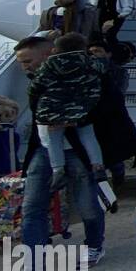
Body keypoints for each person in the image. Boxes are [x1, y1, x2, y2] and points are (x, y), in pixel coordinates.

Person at [0, 36, 107, 271]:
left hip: (76, 150)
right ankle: (34, 269)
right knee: (32, 206)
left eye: (28, 61)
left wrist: (74, 119)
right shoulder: (38, 81)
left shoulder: (87, 73)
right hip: (42, 150)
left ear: (48, 55)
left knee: (88, 205)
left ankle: (94, 244)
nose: (24, 67)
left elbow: (107, 107)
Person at [28, 32, 105, 193]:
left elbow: (36, 87)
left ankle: (58, 171)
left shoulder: (50, 64)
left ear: (57, 48)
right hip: (83, 107)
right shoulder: (91, 61)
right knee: (88, 135)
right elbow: (103, 71)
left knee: (53, 138)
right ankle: (98, 166)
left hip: (53, 110)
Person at [87, 37, 136, 193]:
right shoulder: (86, 70)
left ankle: (118, 181)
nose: (93, 55)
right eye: (90, 52)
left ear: (108, 54)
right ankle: (103, 186)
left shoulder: (118, 71)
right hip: (94, 118)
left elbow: (119, 92)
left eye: (97, 51)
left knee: (114, 155)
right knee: (98, 155)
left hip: (113, 118)